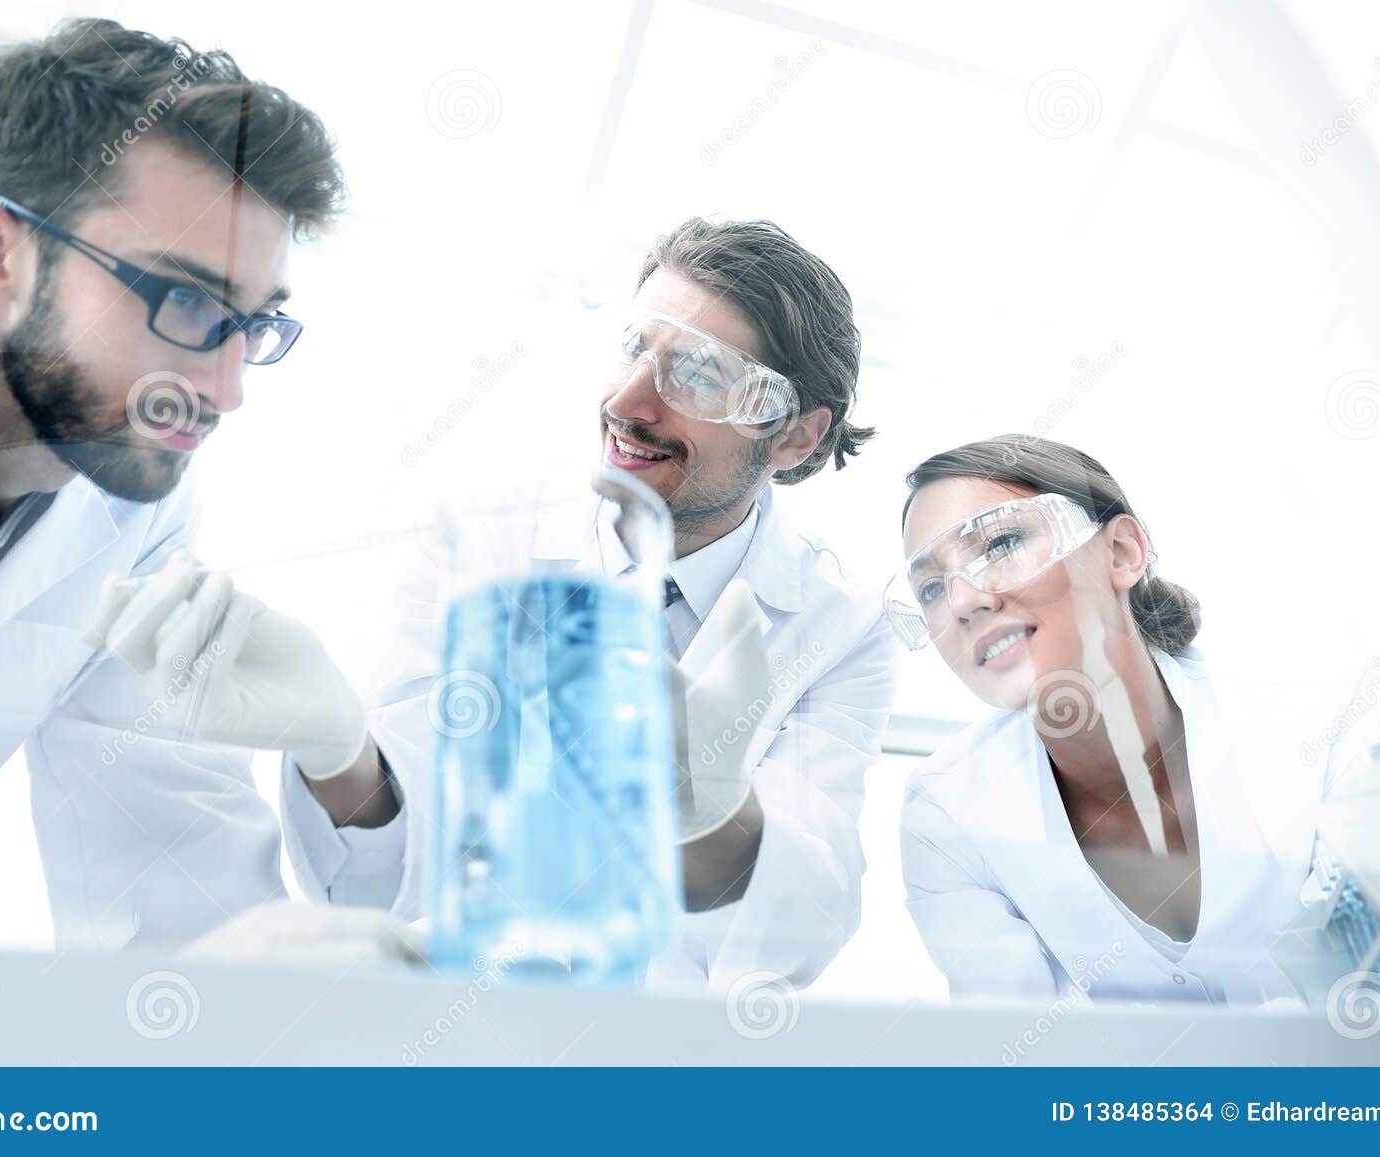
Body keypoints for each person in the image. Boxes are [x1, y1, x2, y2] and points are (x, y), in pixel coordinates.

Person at [143, 217, 898, 988]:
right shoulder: (476, 538)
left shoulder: (841, 629)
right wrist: (340, 753)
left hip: (666, 1054)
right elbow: (378, 883)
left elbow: (802, 920)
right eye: (636, 348)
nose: (630, 402)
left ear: (796, 439)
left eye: (700, 374)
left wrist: (709, 813)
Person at [0, 19, 361, 947]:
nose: (224, 391)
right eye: (183, 301)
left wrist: (343, 760)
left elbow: (173, 911)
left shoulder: (129, 520)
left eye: (251, 326)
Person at [892, 435, 1328, 1003]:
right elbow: (1018, 1062)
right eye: (930, 587)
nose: (963, 601)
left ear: (1121, 553)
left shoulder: (1321, 731)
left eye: (1000, 543)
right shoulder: (947, 813)